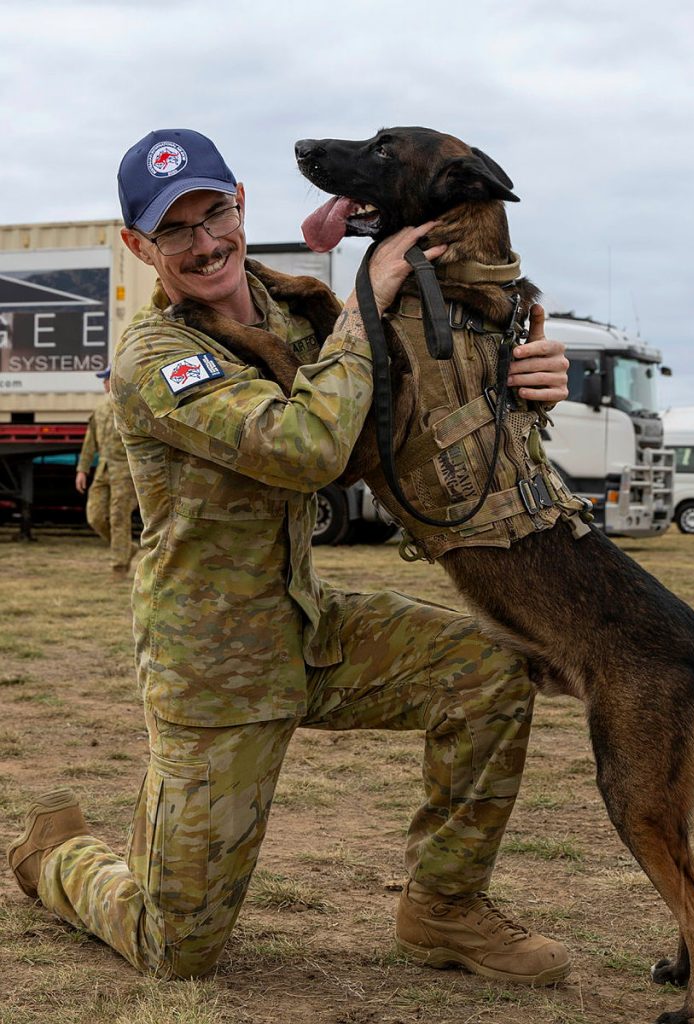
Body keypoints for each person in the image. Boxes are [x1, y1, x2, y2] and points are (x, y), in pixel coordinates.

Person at [8, 129, 572, 986]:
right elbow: (307, 443)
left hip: (308, 629)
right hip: (212, 667)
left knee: (492, 668)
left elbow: (404, 414)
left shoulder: (294, 312)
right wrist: (366, 302)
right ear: (138, 246)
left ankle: (444, 910)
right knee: (178, 947)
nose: (205, 244)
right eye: (175, 231)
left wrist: (525, 377)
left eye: (216, 213)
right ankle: (58, 855)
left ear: (241, 202)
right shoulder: (156, 357)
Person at [75, 366, 138, 575]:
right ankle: (126, 548)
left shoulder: (130, 408)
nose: (104, 383)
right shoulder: (100, 410)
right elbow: (89, 442)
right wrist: (82, 470)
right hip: (103, 469)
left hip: (124, 470)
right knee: (95, 516)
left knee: (119, 516)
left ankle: (119, 567)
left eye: (108, 379)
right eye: (103, 380)